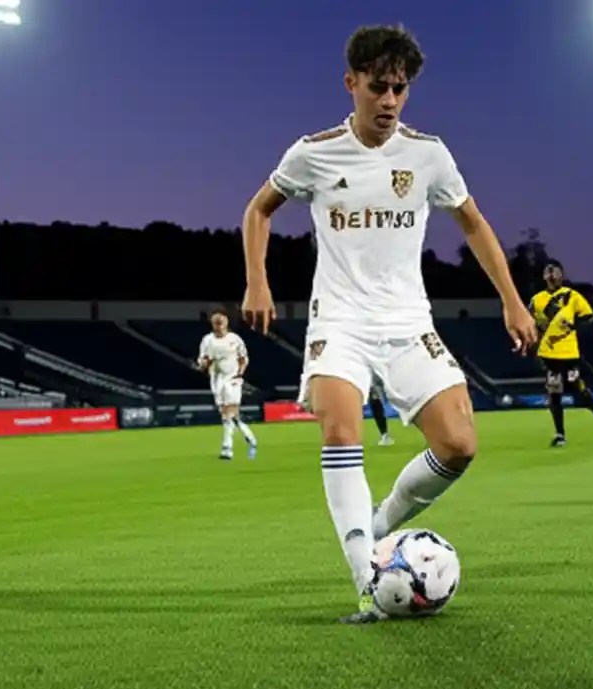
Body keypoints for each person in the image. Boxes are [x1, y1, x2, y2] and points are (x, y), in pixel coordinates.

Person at [239, 24, 537, 623]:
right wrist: (257, 280)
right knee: (341, 427)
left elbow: (474, 224)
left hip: (408, 321)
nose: (390, 101)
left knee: (459, 445)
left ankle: (374, 530)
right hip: (340, 320)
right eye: (378, 87)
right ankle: (364, 581)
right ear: (351, 84)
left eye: (400, 89)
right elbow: (258, 210)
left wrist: (512, 298)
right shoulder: (314, 152)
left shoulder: (428, 155)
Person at [529, 261, 593, 447]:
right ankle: (560, 434)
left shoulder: (572, 296)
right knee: (554, 394)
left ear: (561, 275)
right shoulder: (537, 300)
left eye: (555, 272)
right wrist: (530, 340)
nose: (551, 275)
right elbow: (531, 323)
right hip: (549, 354)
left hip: (569, 354)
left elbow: (589, 317)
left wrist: (573, 326)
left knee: (578, 392)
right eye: (548, 272)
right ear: (544, 277)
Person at [197, 309, 258, 460]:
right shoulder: (207, 340)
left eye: (221, 322)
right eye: (216, 323)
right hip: (217, 380)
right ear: (213, 324)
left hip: (232, 379)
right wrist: (204, 364)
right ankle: (250, 437)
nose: (219, 326)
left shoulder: (235, 339)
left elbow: (243, 358)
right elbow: (203, 361)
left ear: (226, 323)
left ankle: (227, 448)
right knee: (231, 416)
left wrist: (239, 374)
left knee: (227, 414)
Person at [367, 376, 394, 446]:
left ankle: (385, 436)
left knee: (377, 409)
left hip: (376, 385)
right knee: (376, 409)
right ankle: (385, 436)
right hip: (374, 386)